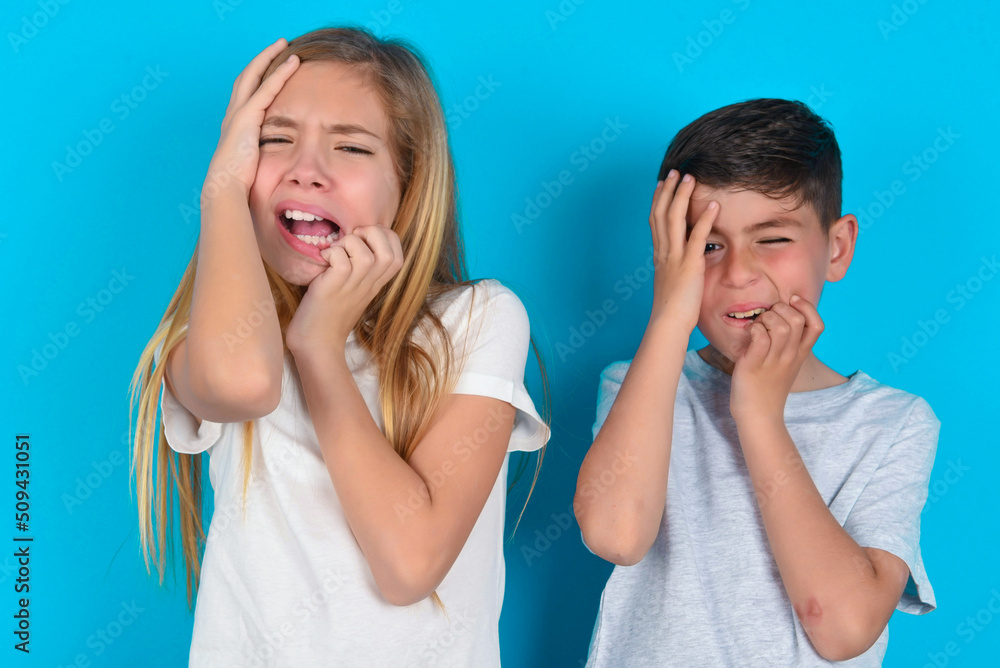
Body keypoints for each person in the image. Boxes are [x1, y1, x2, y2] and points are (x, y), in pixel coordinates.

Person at [128, 27, 550, 667]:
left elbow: (409, 565)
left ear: (407, 186)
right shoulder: (215, 338)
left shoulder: (479, 318)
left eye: (351, 147)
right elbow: (245, 385)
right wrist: (221, 191)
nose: (306, 170)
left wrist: (320, 348)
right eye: (274, 140)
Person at [574, 98, 938, 666]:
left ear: (836, 247)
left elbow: (842, 629)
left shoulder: (892, 422)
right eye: (708, 245)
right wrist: (672, 311)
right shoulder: (639, 386)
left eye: (772, 239)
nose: (738, 272)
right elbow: (617, 534)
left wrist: (760, 415)